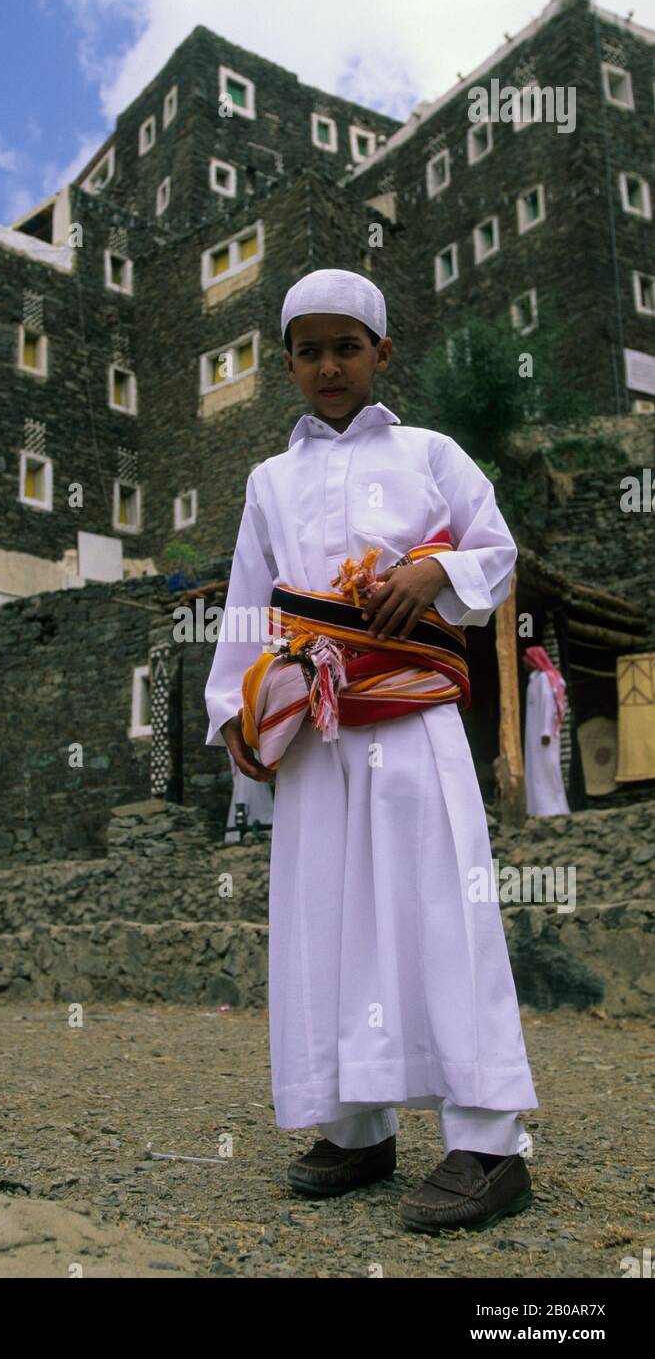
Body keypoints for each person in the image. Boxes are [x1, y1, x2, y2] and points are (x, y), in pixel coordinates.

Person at [203, 268, 538, 1234]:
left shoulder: (431, 453)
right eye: (307, 350)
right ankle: (357, 1128)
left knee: (441, 913)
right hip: (317, 730)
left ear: (382, 354)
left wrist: (433, 568)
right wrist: (235, 707)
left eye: (345, 346)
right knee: (326, 921)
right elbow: (248, 603)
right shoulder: (270, 481)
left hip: (416, 723)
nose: (327, 365)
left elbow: (494, 547)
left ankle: (488, 1144)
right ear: (287, 365)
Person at [523, 644, 570, 816]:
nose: (524, 663)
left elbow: (549, 705)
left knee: (548, 770)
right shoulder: (534, 679)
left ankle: (554, 808)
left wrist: (545, 732)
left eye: (526, 660)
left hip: (545, 735)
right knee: (536, 771)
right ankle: (539, 809)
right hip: (534, 735)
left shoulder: (544, 678)